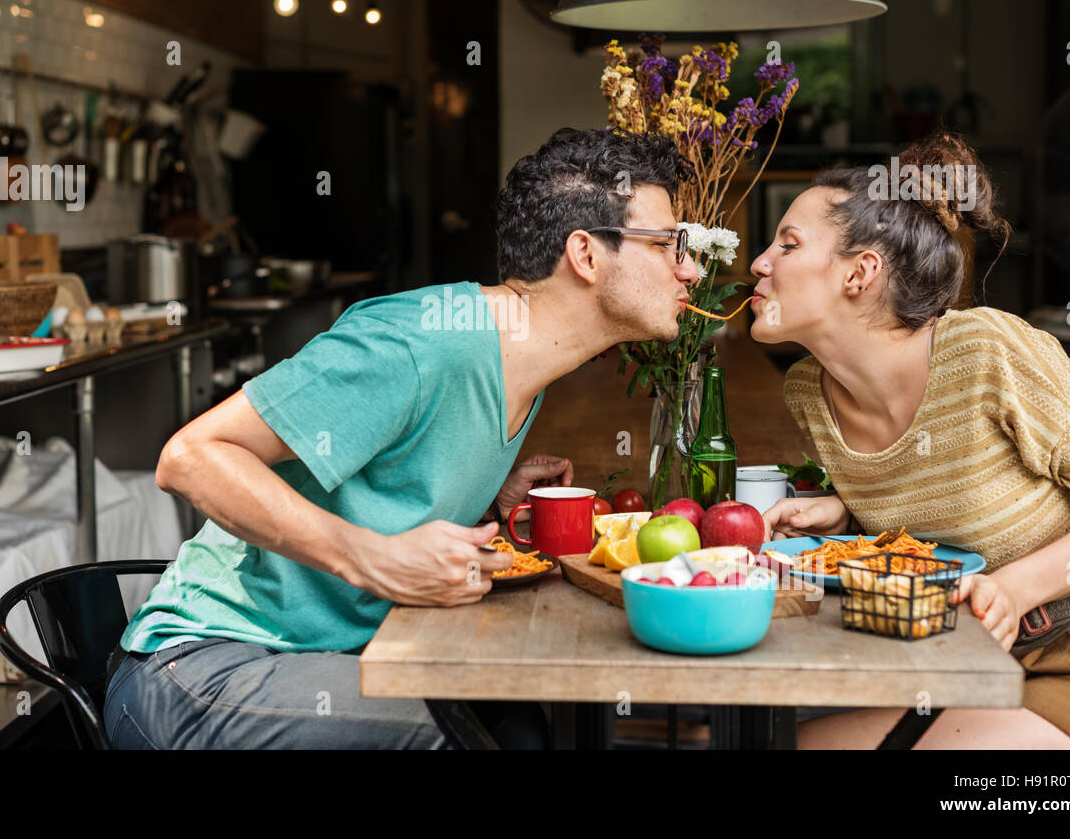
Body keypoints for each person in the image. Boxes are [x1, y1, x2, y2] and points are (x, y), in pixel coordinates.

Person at [103, 127, 700, 748]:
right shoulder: (417, 344)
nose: (690, 268)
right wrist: (373, 558)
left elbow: (390, 474)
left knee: (528, 729)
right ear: (586, 254)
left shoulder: (525, 363)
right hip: (204, 671)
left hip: (341, 659)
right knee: (455, 738)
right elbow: (191, 457)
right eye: (666, 245)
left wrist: (485, 490)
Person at [751, 130, 1070, 749]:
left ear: (860, 273)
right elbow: (939, 509)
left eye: (787, 245)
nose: (761, 262)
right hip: (949, 664)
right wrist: (844, 521)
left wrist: (1013, 589)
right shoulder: (807, 394)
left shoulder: (988, 353)